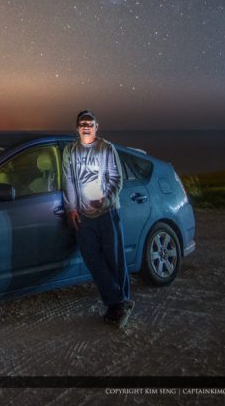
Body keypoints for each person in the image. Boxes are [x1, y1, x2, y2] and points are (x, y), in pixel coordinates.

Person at [63, 110, 134, 328]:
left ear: (96, 127)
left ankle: (118, 304)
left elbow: (116, 178)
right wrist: (71, 209)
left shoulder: (106, 148)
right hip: (84, 216)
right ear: (77, 127)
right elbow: (68, 180)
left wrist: (105, 200)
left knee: (115, 259)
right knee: (92, 259)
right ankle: (120, 301)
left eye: (90, 123)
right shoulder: (70, 151)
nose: (86, 126)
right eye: (82, 123)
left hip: (107, 213)